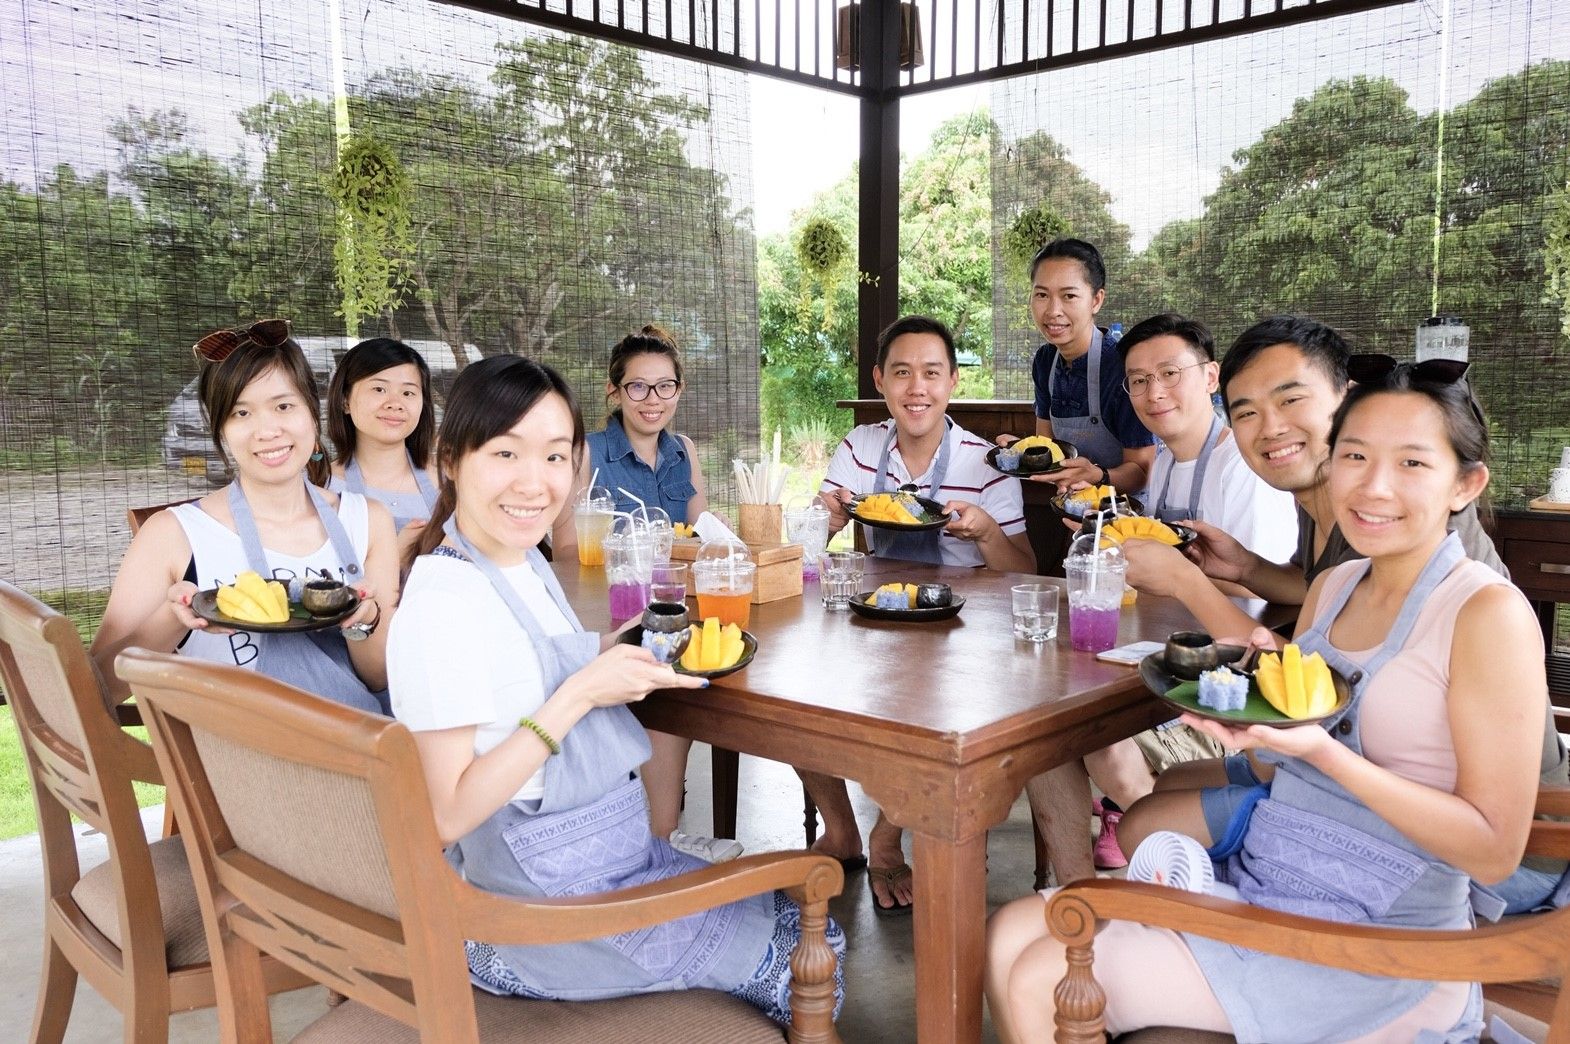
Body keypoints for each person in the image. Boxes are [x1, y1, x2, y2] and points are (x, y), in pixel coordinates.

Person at [987, 358, 1548, 1043]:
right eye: (1354, 456)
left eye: (1412, 463)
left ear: (1466, 483)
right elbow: (1274, 764)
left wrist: (1320, 752)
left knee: (1039, 976)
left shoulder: (1487, 614)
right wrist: (1250, 728)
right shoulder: (1334, 587)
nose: (1373, 486)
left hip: (1381, 948)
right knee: (1008, 931)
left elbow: (1493, 850)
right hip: (1270, 883)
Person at [389, 354, 843, 1020]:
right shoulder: (442, 605)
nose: (534, 482)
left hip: (604, 867)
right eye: (506, 453)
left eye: (554, 456)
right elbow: (446, 814)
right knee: (813, 948)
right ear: (451, 461)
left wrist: (620, 644)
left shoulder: (514, 561)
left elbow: (528, 664)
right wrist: (580, 694)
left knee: (789, 914)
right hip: (541, 915)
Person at [1026, 314, 1300, 879]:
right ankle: (1080, 894)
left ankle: (1187, 867)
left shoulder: (1245, 465)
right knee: (1042, 725)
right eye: (1139, 380)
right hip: (1171, 657)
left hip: (1238, 689)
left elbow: (1266, 605)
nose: (1154, 392)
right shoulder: (1169, 459)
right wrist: (1109, 536)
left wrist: (1172, 571)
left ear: (1211, 377)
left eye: (1170, 373)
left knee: (1098, 743)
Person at [810, 314, 1034, 914]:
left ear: (953, 381)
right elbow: (812, 543)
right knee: (795, 687)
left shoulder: (985, 462)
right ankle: (841, 829)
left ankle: (887, 837)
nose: (917, 389)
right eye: (902, 373)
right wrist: (828, 520)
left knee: (932, 698)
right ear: (880, 380)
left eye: (932, 373)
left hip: (962, 626)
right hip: (872, 613)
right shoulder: (861, 447)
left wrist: (986, 532)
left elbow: (1023, 570)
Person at [92, 319, 397, 714]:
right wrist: (175, 618)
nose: (266, 430)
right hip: (233, 750)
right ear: (220, 428)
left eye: (283, 406)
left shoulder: (368, 520)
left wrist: (364, 618)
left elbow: (378, 679)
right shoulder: (173, 534)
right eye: (241, 413)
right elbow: (97, 687)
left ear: (312, 412)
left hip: (352, 742)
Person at [560, 325, 729, 862]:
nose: (652, 399)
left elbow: (698, 531)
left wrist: (717, 538)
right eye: (638, 386)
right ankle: (660, 837)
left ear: (679, 390)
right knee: (663, 678)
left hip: (673, 605)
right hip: (606, 610)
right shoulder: (589, 452)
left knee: (714, 668)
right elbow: (565, 549)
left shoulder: (684, 451)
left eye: (664, 386)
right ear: (614, 391)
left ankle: (661, 834)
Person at [1016, 238, 1155, 494]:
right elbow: (1048, 447)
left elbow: (1143, 471)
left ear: (1096, 300)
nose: (1053, 311)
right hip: (1069, 505)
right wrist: (1018, 452)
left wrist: (1098, 476)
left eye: (1069, 296)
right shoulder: (1045, 361)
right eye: (1042, 295)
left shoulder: (1122, 366)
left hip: (1127, 510)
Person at [325, 337, 439, 555]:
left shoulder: (449, 484)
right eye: (379, 389)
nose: (395, 404)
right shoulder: (324, 486)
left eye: (408, 393)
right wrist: (396, 555)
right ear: (345, 400)